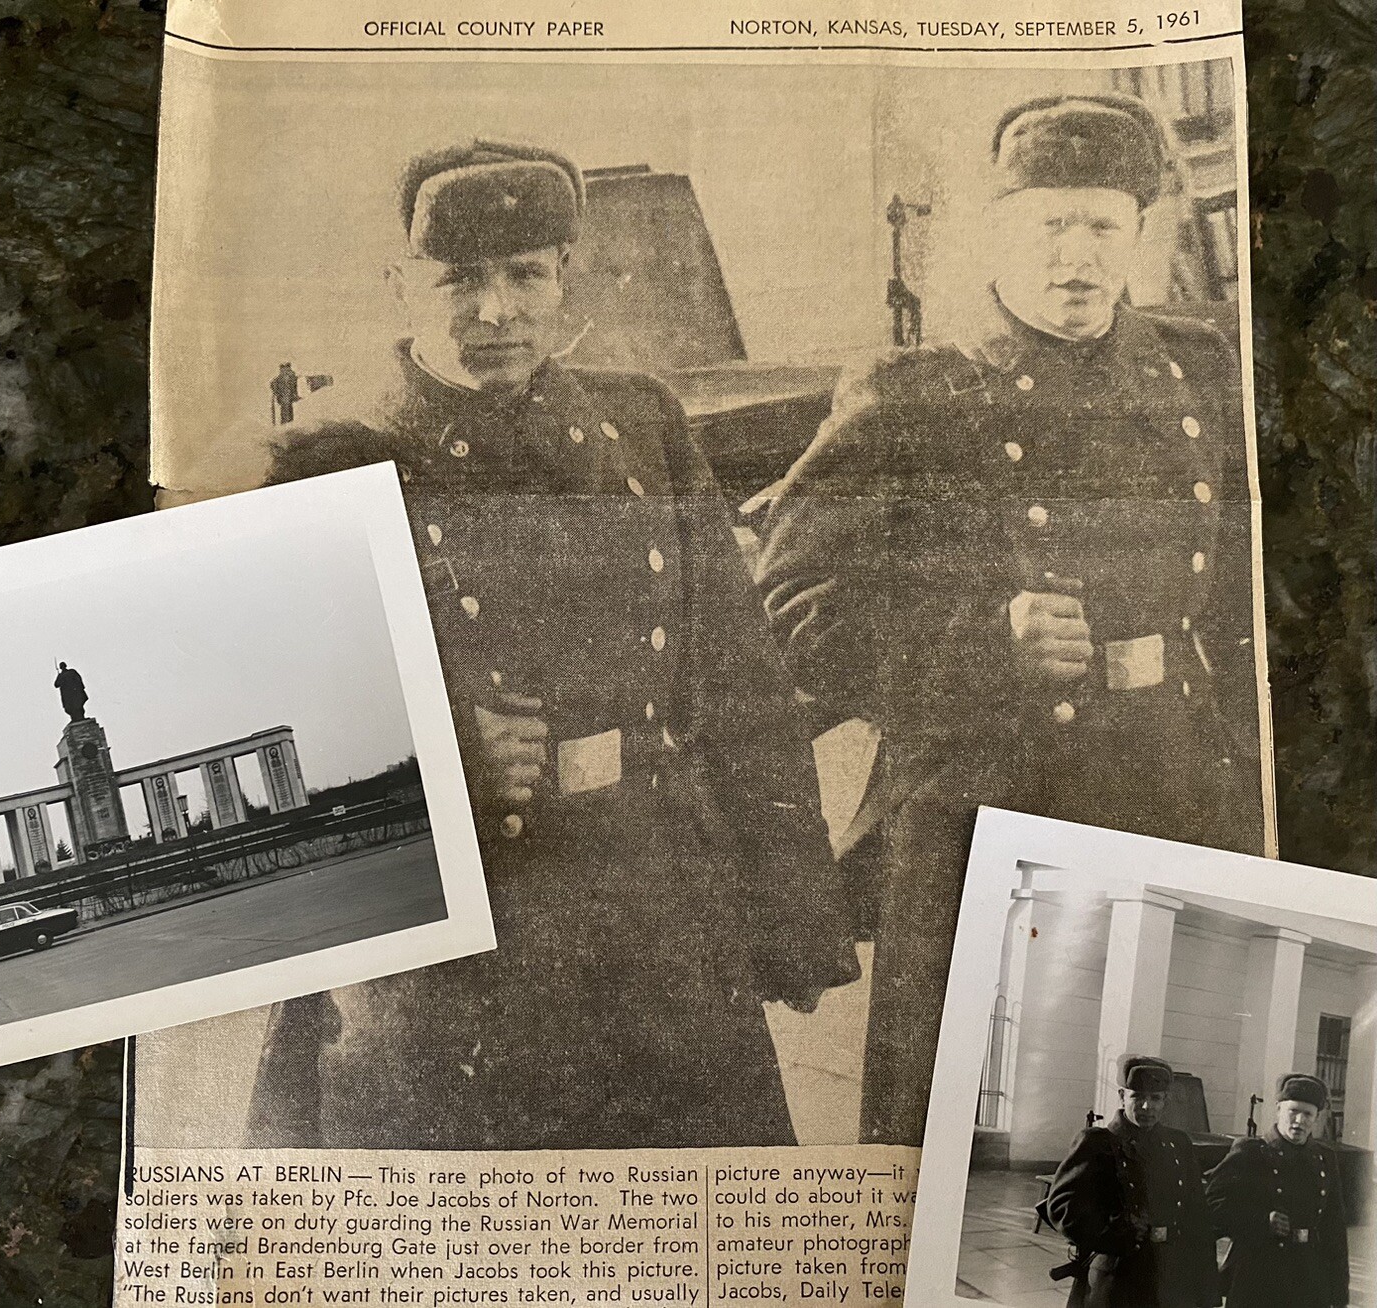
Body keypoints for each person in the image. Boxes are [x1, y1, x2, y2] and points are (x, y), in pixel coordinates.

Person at [242, 139, 857, 1150]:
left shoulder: (642, 424)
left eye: (526, 274)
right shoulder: (327, 465)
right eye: (459, 281)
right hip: (454, 953)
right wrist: (433, 756)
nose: (496, 313)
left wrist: (790, 911)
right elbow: (264, 747)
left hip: (658, 911)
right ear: (399, 286)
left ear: (564, 274)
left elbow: (739, 678)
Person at [754, 93, 1265, 1146]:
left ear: (1140, 233)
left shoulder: (1195, 372)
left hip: (1171, 778)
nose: (1076, 256)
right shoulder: (913, 392)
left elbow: (1253, 596)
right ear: (996, 229)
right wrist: (983, 640)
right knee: (970, 1130)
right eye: (1048, 224)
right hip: (987, 804)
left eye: (1102, 226)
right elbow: (793, 609)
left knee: (1167, 1114)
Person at [1041, 1056, 1218, 1307]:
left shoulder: (1178, 1144)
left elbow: (1198, 1218)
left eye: (1156, 1098)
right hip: (1116, 1280)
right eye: (1138, 1097)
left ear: (1165, 1100)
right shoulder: (1098, 1143)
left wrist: (1205, 1289)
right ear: (1123, 1097)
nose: (1147, 1107)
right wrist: (1115, 1233)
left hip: (1170, 1279)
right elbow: (1062, 1208)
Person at [1206, 1073, 1349, 1308]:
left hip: (1310, 1281)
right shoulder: (1251, 1152)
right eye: (1293, 1111)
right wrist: (1261, 1221)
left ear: (1316, 1118)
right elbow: (1212, 1208)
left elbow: (1335, 1230)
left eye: (1308, 1114)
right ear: (1278, 1109)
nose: (1300, 1120)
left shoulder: (1324, 1159)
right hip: (1259, 1279)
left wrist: (1338, 1295)